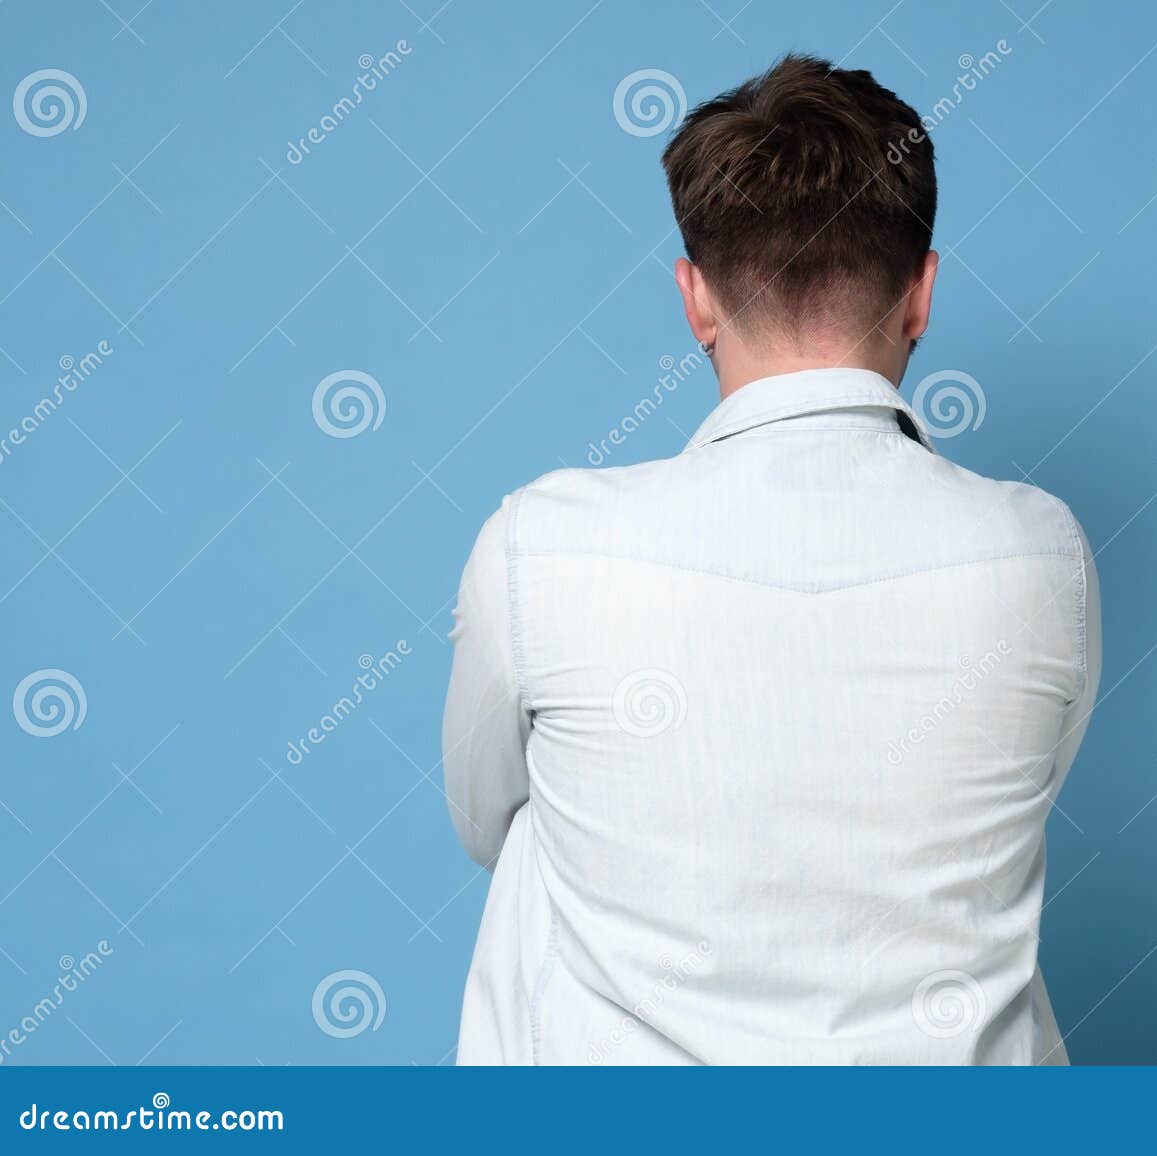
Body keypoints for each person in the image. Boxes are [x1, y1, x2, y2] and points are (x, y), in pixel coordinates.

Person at [443, 53, 1099, 1064]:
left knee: (550, 830)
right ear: (921, 295)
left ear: (695, 300)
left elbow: (483, 822)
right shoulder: (1038, 549)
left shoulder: (542, 543)